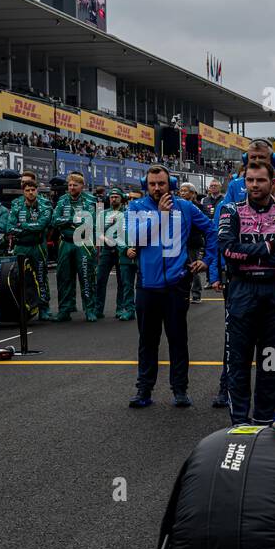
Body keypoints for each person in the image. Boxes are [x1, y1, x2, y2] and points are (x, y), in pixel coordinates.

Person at [213, 140, 275, 421]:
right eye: (250, 180)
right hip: (242, 292)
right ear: (243, 181)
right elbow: (228, 251)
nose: (255, 185)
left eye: (261, 180)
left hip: (274, 292)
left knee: (270, 360)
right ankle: (240, 421)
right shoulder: (230, 210)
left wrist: (254, 257)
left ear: (274, 183)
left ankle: (265, 418)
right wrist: (269, 248)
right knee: (239, 360)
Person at [126, 165, 215, 409]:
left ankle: (180, 390)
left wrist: (207, 260)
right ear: (146, 185)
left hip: (176, 285)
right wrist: (161, 217)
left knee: (178, 339)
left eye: (161, 184)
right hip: (147, 285)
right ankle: (144, 389)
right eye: (152, 184)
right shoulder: (135, 207)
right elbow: (134, 238)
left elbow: (213, 230)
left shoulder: (186, 207)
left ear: (171, 184)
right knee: (147, 340)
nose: (157, 188)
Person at [49, 171, 98, 322]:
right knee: (63, 277)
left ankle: (90, 309)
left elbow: (89, 222)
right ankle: (64, 310)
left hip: (83, 242)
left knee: (86, 277)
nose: (71, 188)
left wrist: (68, 221)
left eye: (74, 185)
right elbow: (54, 221)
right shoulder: (62, 200)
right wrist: (72, 219)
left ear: (82, 186)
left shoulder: (90, 201)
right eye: (69, 185)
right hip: (65, 242)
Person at [8, 177, 54, 321]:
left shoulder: (45, 207)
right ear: (23, 192)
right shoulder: (16, 207)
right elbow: (9, 228)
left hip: (38, 247)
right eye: (27, 190)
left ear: (37, 191)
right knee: (19, 278)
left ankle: (44, 308)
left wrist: (22, 226)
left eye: (33, 190)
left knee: (41, 277)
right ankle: (23, 308)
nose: (30, 193)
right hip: (20, 247)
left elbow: (41, 226)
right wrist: (29, 229)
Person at [93, 187, 135, 320]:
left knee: (122, 281)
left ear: (121, 199)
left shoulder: (127, 213)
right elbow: (98, 233)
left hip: (122, 251)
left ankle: (121, 308)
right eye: (111, 197)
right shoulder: (103, 214)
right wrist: (107, 240)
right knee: (100, 279)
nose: (113, 199)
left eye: (116, 196)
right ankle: (98, 309)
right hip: (107, 250)